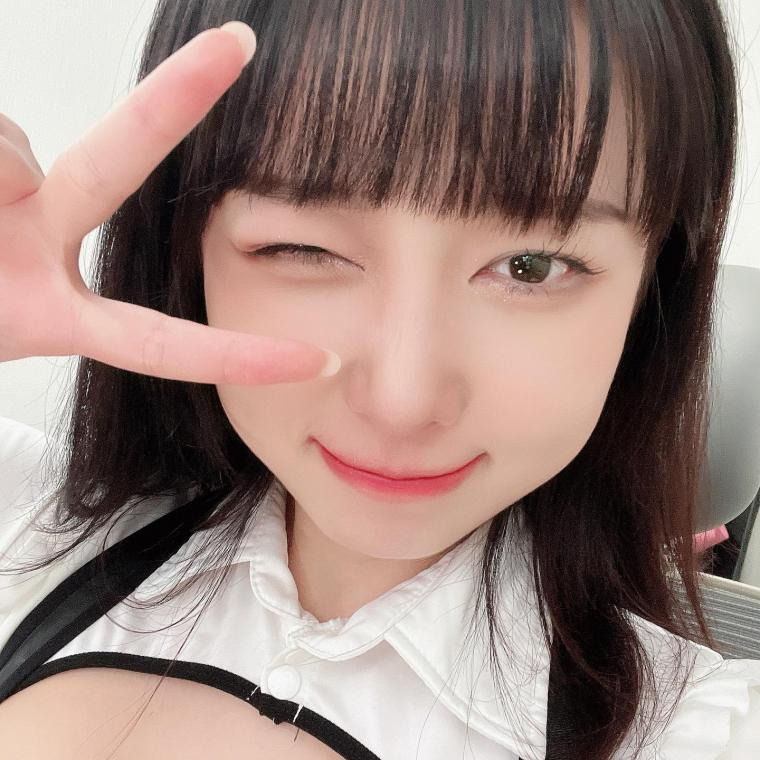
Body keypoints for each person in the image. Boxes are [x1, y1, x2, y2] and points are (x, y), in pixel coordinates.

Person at [0, 1, 758, 758]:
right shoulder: (27, 527)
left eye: (531, 266)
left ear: (650, 292)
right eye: (302, 248)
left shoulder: (700, 732)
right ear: (186, 254)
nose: (402, 401)